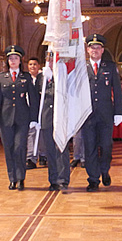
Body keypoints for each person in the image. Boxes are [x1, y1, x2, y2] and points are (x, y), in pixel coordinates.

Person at [0, 46, 38, 190]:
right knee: (9, 149)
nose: (13, 61)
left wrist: (33, 118)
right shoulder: (1, 77)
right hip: (5, 119)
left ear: (20, 60)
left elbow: (33, 98)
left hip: (22, 119)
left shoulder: (26, 77)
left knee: (19, 148)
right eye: (10, 58)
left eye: (15, 58)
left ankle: (21, 177)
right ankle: (12, 178)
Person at [81, 34, 122, 191]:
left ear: (102, 50)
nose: (95, 50)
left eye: (98, 48)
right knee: (90, 147)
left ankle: (104, 170)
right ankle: (93, 179)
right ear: (87, 50)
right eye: (92, 47)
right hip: (87, 115)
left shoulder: (110, 66)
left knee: (106, 146)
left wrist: (118, 112)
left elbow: (117, 91)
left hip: (106, 114)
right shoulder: (82, 67)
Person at [38, 59, 70, 191]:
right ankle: (53, 179)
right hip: (46, 117)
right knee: (50, 150)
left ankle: (63, 179)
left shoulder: (64, 75)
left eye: (53, 59)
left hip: (61, 116)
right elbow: (37, 96)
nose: (51, 62)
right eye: (48, 59)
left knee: (61, 149)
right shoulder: (42, 76)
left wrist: (54, 80)